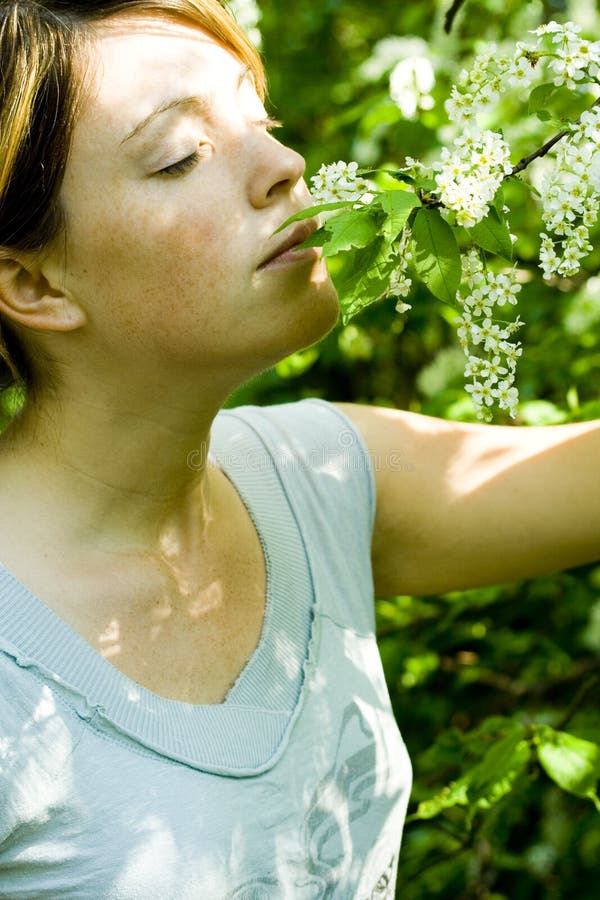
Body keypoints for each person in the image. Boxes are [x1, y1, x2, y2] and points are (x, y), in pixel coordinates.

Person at [0, 1, 597, 897]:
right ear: (34, 282)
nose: (285, 167)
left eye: (261, 120)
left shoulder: (319, 476)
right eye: (181, 156)